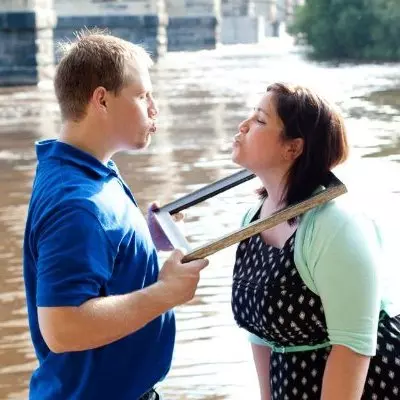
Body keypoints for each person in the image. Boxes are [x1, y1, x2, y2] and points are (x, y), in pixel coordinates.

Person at [22, 31, 209, 400]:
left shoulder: (86, 168)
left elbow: (96, 255)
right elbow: (62, 329)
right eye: (141, 96)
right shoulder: (77, 202)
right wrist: (165, 293)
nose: (154, 109)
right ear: (102, 100)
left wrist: (143, 238)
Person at [230, 82, 400, 399]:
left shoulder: (335, 225)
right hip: (293, 385)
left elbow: (352, 346)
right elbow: (260, 335)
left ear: (293, 148)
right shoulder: (252, 219)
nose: (243, 125)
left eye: (260, 120)